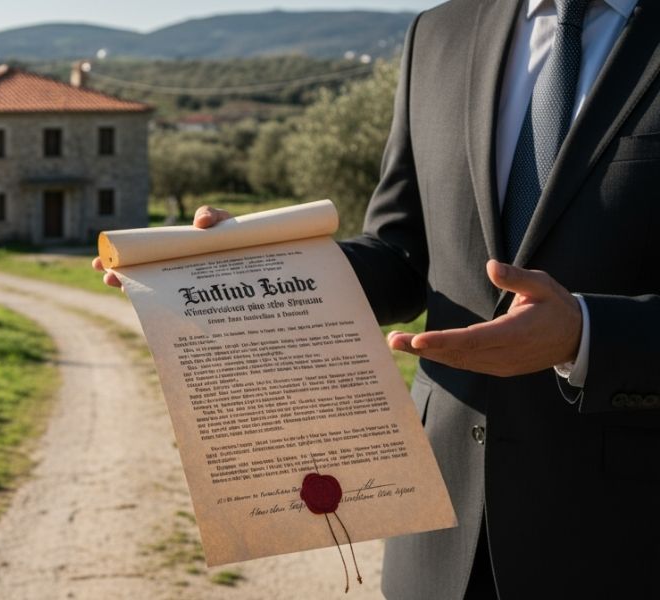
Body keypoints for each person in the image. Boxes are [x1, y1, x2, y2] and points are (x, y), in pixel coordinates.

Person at [94, 0, 660, 597]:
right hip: (441, 534)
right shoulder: (438, 32)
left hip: (625, 534)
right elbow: (402, 257)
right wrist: (254, 269)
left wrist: (586, 334)